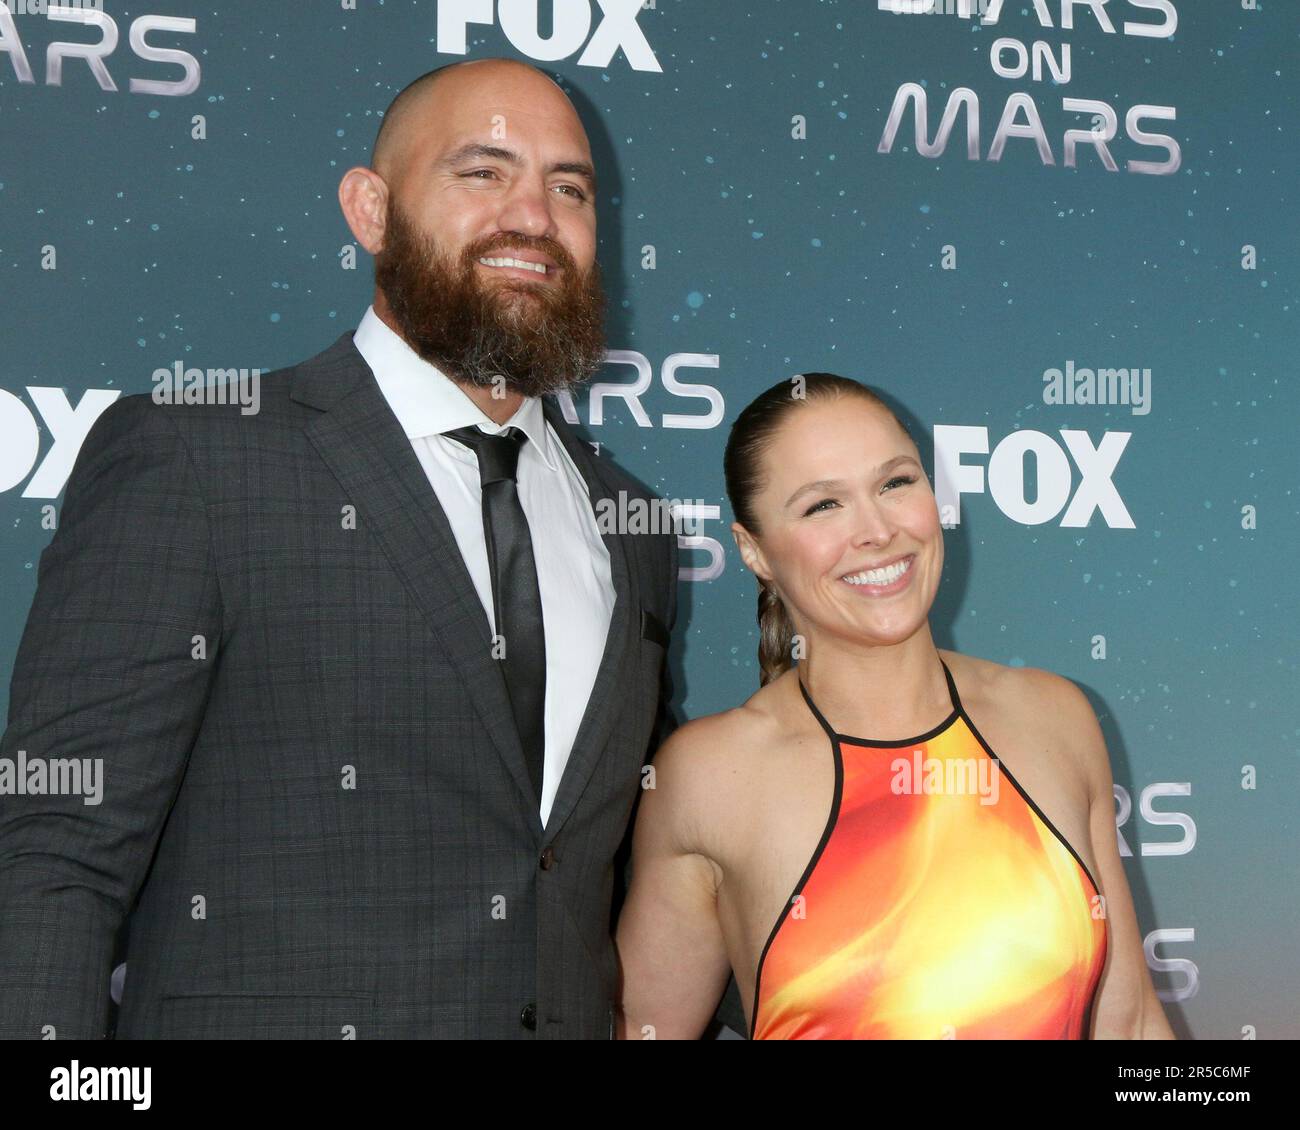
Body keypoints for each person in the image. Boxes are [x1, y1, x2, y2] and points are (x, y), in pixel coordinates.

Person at [0, 58, 677, 1039]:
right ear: (370, 208)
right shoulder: (198, 451)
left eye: (568, 187)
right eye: (482, 172)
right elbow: (58, 851)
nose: (533, 215)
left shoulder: (631, 527)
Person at [614, 373, 1175, 1039]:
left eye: (895, 483)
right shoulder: (709, 776)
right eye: (824, 506)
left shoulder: (1054, 717)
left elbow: (1133, 1025)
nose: (877, 531)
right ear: (754, 550)